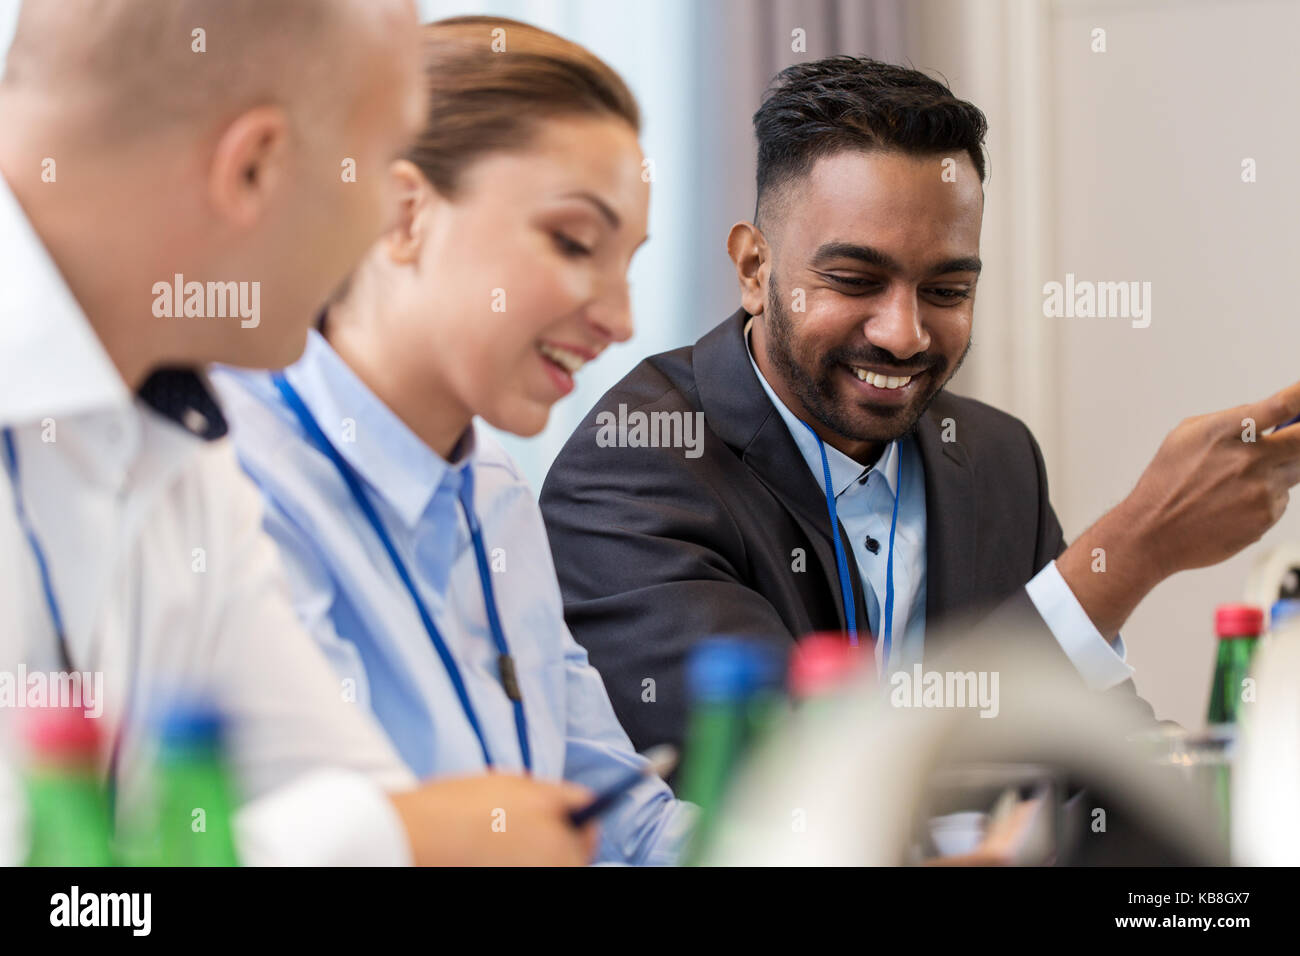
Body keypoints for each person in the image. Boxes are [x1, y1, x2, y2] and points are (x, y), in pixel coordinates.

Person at [538, 56, 1300, 761]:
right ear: (753, 266)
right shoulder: (631, 462)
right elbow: (797, 781)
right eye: (854, 280)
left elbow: (1095, 758)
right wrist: (1138, 546)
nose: (904, 335)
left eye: (947, 292)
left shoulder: (998, 458)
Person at [0, 0, 597, 865]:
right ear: (255, 167)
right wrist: (391, 837)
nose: (384, 227)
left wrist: (399, 830)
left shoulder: (179, 426)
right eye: (385, 164)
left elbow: (333, 775)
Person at [213, 16, 693, 866]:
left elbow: (620, 819)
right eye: (574, 242)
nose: (621, 320)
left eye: (627, 262)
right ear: (405, 216)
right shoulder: (232, 482)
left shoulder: (495, 494)